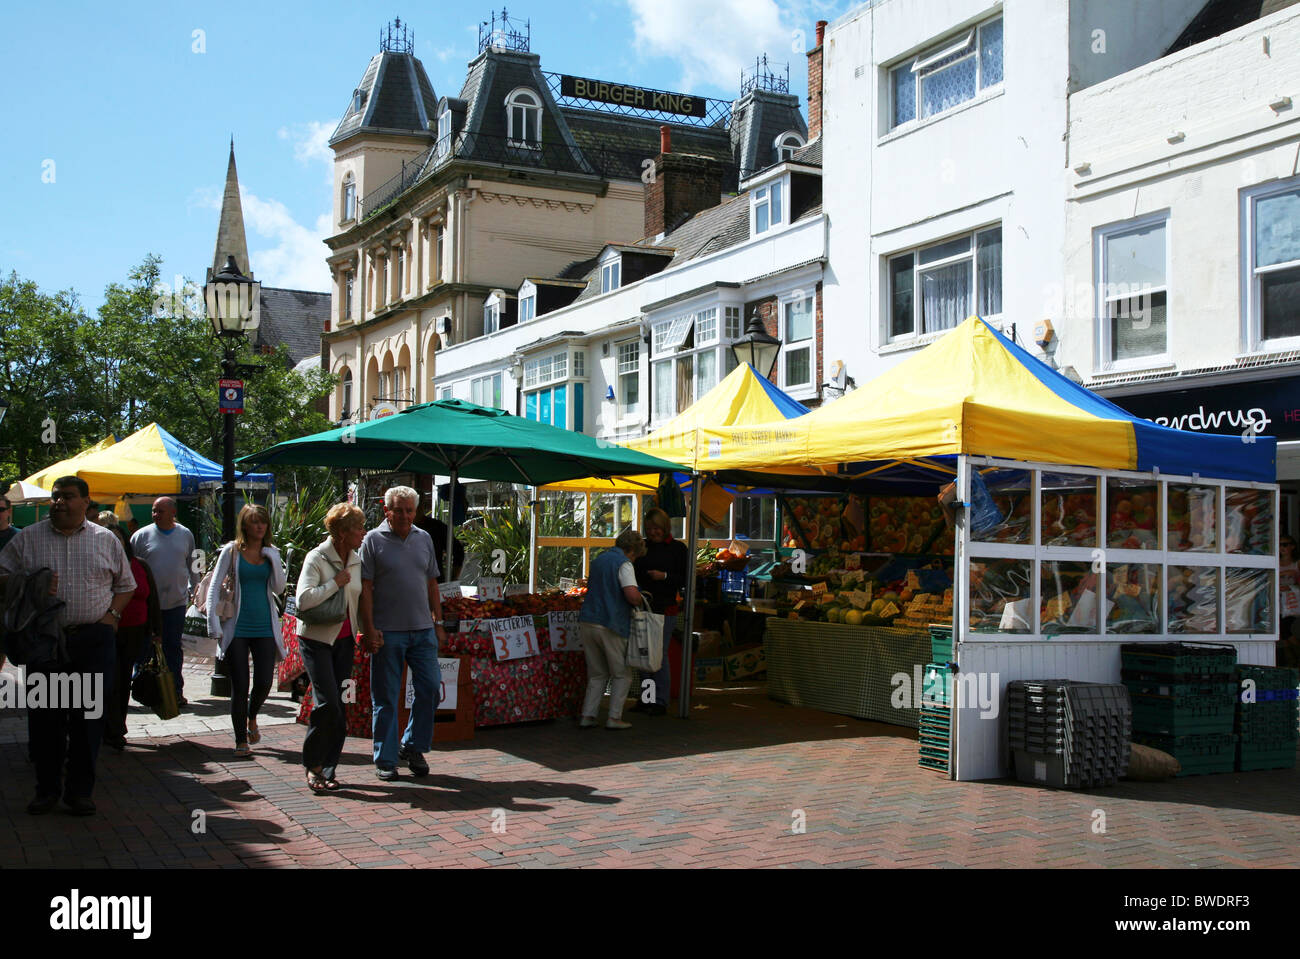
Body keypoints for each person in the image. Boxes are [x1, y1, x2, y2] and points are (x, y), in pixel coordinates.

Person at [0, 476, 136, 816]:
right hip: (45, 642)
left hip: (93, 640)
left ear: (86, 502)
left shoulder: (106, 540)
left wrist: (112, 616)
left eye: (68, 497)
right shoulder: (28, 539)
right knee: (46, 719)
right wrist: (30, 583)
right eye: (56, 497)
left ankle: (80, 792)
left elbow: (126, 584)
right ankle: (46, 791)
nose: (59, 502)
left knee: (86, 720)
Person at [360, 485, 448, 780]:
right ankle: (385, 758)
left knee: (431, 689)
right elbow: (366, 589)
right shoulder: (372, 540)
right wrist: (369, 628)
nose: (405, 515)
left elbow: (432, 583)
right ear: (387, 511)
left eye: (410, 510)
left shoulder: (424, 539)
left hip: (422, 630)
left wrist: (438, 622)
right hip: (388, 633)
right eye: (399, 510)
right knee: (385, 696)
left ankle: (412, 745)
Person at [295, 503, 365, 793]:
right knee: (328, 703)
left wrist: (368, 631)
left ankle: (329, 768)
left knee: (341, 706)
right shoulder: (317, 558)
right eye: (359, 528)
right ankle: (312, 764)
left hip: (346, 641)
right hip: (316, 640)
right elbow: (303, 601)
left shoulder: (356, 560)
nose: (363, 533)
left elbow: (358, 600)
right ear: (342, 532)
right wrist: (334, 584)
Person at [206, 504, 286, 757]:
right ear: (245, 525)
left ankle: (252, 716)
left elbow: (279, 588)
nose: (260, 526)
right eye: (254, 522)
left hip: (264, 625)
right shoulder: (231, 551)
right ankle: (241, 739)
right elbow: (214, 586)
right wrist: (213, 623)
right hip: (236, 627)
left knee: (263, 681)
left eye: (263, 522)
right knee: (240, 685)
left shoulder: (270, 552)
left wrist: (274, 560)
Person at [131, 496, 200, 707]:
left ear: (173, 513)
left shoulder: (185, 534)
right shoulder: (140, 536)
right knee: (144, 649)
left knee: (172, 648)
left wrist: (195, 587)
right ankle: (143, 690)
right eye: (154, 510)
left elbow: (196, 561)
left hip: (176, 603)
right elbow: (131, 567)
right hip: (148, 605)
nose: (155, 515)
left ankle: (174, 691)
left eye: (160, 511)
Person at [578, 527, 647, 730]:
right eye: (636, 556)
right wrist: (642, 598)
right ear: (633, 551)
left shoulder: (599, 559)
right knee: (621, 673)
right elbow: (631, 595)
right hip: (611, 623)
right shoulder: (624, 564)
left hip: (588, 620)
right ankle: (614, 717)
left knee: (597, 673)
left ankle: (588, 715)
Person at [103, 525, 161, 752]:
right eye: (111, 540)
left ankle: (118, 726)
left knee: (123, 679)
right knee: (110, 679)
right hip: (107, 630)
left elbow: (152, 599)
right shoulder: (102, 565)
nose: (115, 544)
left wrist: (157, 631)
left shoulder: (140, 565)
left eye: (119, 539)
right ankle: (110, 727)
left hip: (136, 631)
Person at [631, 508, 690, 716]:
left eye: (656, 528)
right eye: (649, 529)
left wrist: (663, 576)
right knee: (643, 655)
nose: (652, 533)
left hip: (665, 609)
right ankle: (647, 698)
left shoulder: (678, 549)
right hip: (642, 607)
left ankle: (660, 701)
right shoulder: (642, 547)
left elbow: (685, 578)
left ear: (664, 528)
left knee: (659, 655)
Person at [413, 498, 465, 583]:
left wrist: (453, 578)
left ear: (422, 506)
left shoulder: (437, 527)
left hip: (435, 582)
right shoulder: (400, 529)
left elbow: (458, 551)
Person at [1279, 536, 1300, 667]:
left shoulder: (1297, 564)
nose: (1282, 548)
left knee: (1284, 629)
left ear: (1293, 546)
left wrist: (1291, 587)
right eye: (1280, 545)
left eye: (1285, 545)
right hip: (1278, 601)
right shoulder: (1274, 562)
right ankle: (1292, 661)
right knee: (1282, 632)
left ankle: (1294, 659)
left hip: (1291, 602)